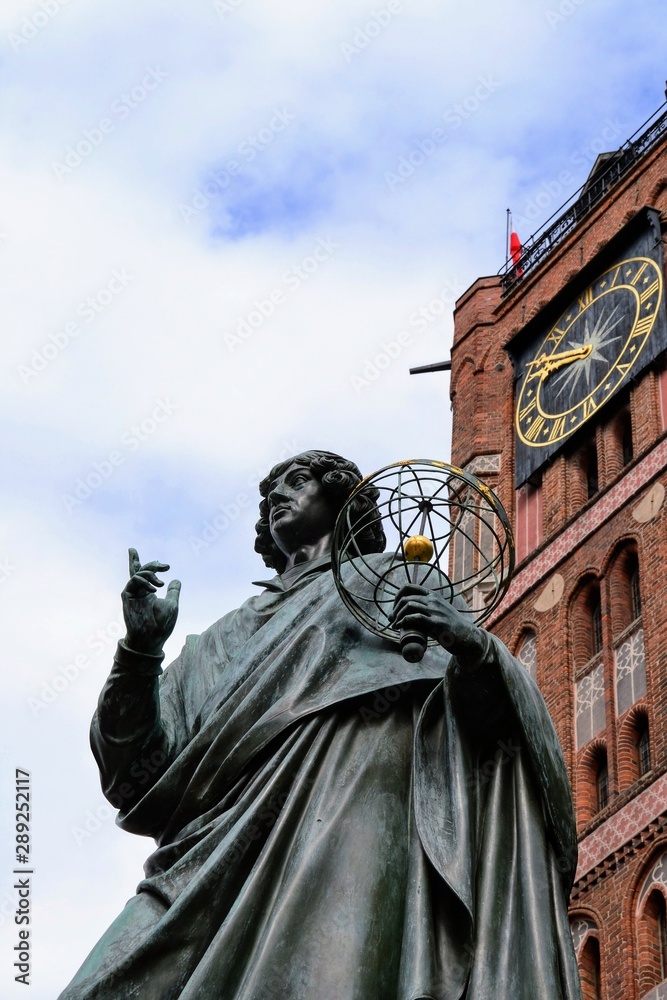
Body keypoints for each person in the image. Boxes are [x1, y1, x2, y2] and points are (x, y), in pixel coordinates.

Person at [59, 450, 582, 1000]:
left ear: (340, 498)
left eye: (297, 481)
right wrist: (139, 654)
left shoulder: (392, 579)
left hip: (349, 813)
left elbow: (470, 730)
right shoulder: (213, 644)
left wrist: (474, 650)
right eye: (269, 493)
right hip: (205, 858)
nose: (278, 495)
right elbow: (133, 776)